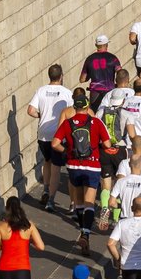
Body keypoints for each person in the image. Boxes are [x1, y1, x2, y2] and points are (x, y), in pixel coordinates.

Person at [53, 87, 119, 252]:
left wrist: (67, 152)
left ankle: (83, 230)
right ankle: (85, 234)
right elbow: (107, 144)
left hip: (73, 165)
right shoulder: (96, 122)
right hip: (92, 165)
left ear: (74, 107)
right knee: (90, 202)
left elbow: (55, 144)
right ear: (87, 106)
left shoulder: (68, 123)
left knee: (79, 201)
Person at [27, 64, 73, 209]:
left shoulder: (41, 90)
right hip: (59, 135)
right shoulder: (67, 93)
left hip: (43, 134)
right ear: (61, 76)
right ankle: (51, 200)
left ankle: (46, 189)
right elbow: (72, 113)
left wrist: (41, 116)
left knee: (46, 161)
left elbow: (30, 110)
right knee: (56, 168)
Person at [0, 197, 44, 279]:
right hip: (22, 271)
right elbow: (41, 246)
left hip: (4, 270)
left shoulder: (0, 227)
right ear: (20, 207)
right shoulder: (28, 226)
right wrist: (29, 241)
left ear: (7, 209)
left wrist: (2, 246)